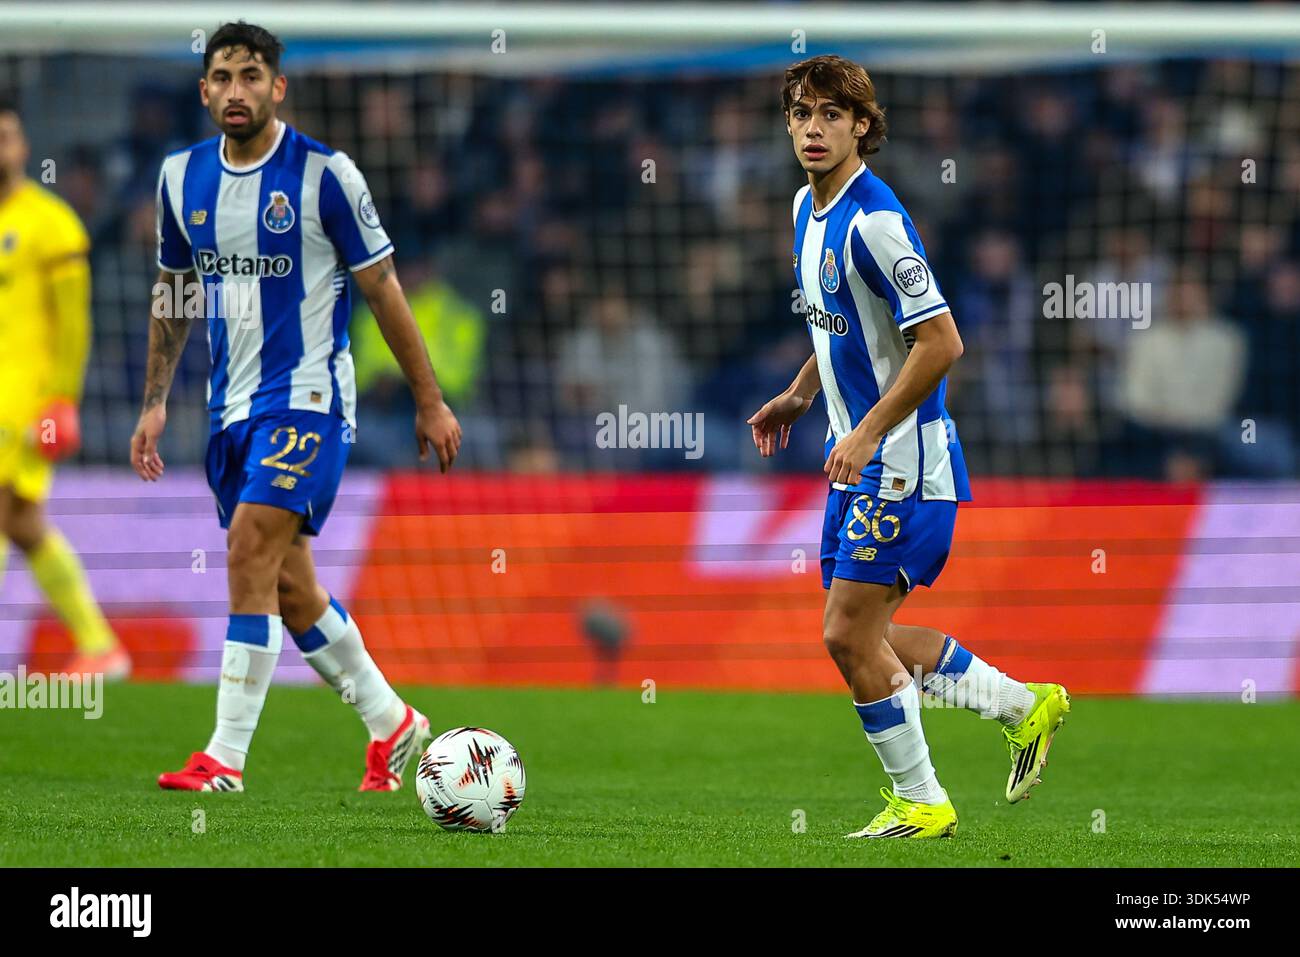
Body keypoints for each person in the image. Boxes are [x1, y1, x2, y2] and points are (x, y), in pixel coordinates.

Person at [131, 22, 462, 793]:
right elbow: (175, 291)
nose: (236, 90)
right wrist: (154, 403)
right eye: (222, 76)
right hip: (230, 411)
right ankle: (393, 722)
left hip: (311, 401)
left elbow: (382, 285)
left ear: (278, 87)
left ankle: (224, 758)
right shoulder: (180, 178)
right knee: (289, 586)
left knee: (249, 545)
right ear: (204, 89)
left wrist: (429, 398)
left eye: (252, 76)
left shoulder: (324, 175)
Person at [747, 56, 1069, 838]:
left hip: (901, 467)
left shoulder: (877, 221)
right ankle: (1024, 706)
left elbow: (941, 341)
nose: (813, 129)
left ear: (863, 125)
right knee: (873, 636)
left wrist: (863, 430)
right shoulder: (804, 208)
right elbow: (847, 330)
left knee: (845, 634)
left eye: (831, 114)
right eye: (800, 114)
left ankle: (921, 800)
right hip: (859, 460)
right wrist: (801, 392)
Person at [0, 99, 128, 678]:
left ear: (25, 147)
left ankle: (101, 647)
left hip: (24, 403)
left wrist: (61, 403)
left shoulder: (51, 223)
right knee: (21, 523)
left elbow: (75, 325)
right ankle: (100, 646)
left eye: (7, 135)